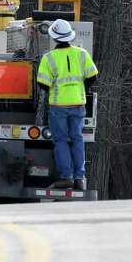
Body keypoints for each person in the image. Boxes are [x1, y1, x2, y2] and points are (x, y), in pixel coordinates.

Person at [36, 19, 98, 191]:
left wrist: (55, 90)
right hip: (78, 104)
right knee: (77, 139)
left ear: (54, 37)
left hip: (58, 106)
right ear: (70, 36)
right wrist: (81, 89)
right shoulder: (82, 54)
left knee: (61, 140)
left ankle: (66, 177)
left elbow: (43, 84)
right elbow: (93, 76)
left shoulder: (49, 58)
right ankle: (80, 178)